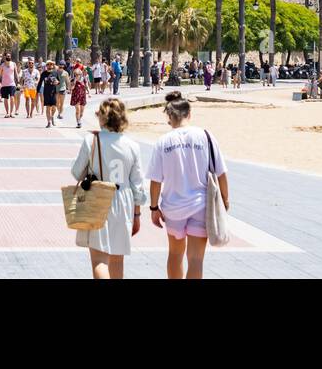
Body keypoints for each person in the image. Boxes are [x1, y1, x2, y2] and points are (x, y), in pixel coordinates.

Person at [148, 91, 229, 280]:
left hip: (173, 207)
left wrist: (153, 207)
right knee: (195, 259)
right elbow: (221, 173)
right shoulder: (206, 136)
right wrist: (225, 199)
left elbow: (155, 180)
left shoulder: (163, 141)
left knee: (175, 255)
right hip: (200, 206)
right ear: (189, 114)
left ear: (169, 117)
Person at [70, 99, 147, 279]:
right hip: (123, 200)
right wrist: (137, 214)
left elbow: (76, 172)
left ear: (102, 117)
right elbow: (138, 186)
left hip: (98, 197)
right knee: (117, 260)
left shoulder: (92, 140)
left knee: (99, 260)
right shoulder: (132, 145)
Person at [38, 60, 63, 128]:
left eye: (51, 64)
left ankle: (52, 117)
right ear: (46, 66)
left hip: (53, 93)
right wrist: (37, 92)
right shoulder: (44, 73)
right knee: (48, 108)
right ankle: (48, 122)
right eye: (48, 64)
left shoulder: (55, 72)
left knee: (54, 107)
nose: (49, 65)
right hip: (46, 93)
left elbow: (58, 82)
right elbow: (40, 82)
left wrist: (56, 82)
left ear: (53, 65)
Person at [0, 53, 18, 118]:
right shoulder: (2, 65)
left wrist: (18, 82)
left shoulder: (13, 64)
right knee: (5, 99)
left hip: (12, 84)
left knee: (12, 97)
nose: (8, 57)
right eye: (7, 56)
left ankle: (11, 113)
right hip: (4, 84)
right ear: (4, 57)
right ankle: (7, 113)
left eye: (9, 56)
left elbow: (16, 73)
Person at [70, 59, 89, 128]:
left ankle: (79, 119)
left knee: (82, 112)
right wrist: (74, 82)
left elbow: (86, 86)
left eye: (78, 74)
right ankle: (78, 122)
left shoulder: (83, 79)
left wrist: (89, 93)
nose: (77, 75)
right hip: (76, 96)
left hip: (82, 96)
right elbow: (71, 88)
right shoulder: (73, 80)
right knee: (77, 110)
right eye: (76, 74)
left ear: (80, 74)